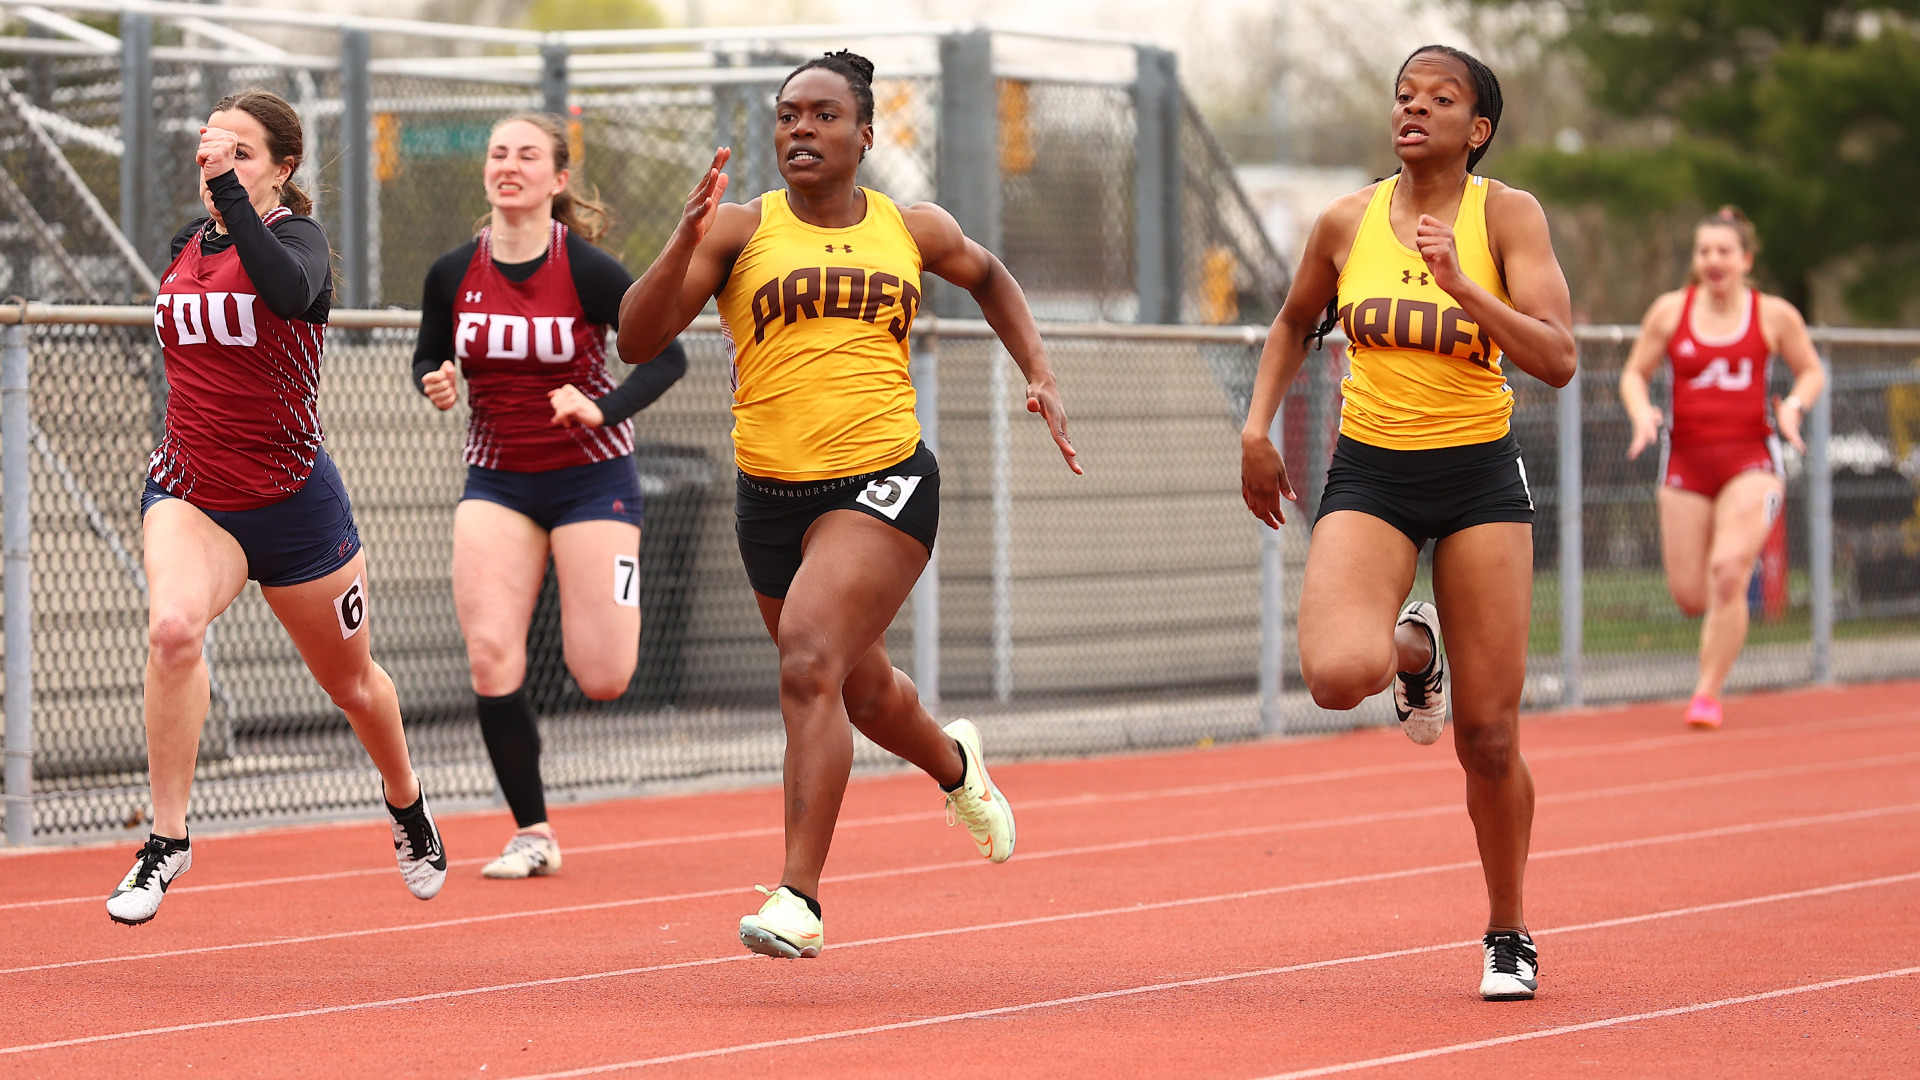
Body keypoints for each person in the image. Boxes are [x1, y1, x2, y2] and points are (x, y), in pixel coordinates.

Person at [618, 50, 1078, 959]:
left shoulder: (913, 227)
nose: (802, 127)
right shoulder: (739, 229)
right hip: (771, 497)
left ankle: (798, 897)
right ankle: (956, 764)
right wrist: (682, 238)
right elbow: (637, 337)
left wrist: (1039, 371)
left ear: (865, 135)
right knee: (859, 691)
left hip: (884, 479)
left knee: (806, 660)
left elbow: (990, 276)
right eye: (788, 114)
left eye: (824, 115)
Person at [1239, 46, 1576, 1000]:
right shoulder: (1345, 220)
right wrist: (1256, 429)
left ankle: (1508, 930)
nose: (1414, 109)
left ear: (1478, 128)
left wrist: (1466, 287)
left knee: (1490, 738)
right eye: (1404, 96)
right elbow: (1293, 322)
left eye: (1440, 99)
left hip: (1479, 479)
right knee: (1337, 676)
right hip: (1373, 474)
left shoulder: (1506, 216)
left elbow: (1558, 358)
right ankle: (1415, 653)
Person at [108, 89, 445, 926]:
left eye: (241, 152)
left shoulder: (300, 242)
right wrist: (224, 199)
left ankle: (406, 802)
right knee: (172, 631)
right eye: (211, 147)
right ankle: (168, 838)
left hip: (293, 503)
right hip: (192, 492)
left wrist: (232, 192)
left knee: (353, 685)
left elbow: (288, 294)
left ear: (282, 167)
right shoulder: (188, 245)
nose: (217, 164)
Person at [414, 113, 688, 879]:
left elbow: (666, 357)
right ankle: (532, 831)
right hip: (497, 480)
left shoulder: (590, 270)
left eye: (527, 155)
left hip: (591, 480)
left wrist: (601, 407)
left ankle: (608, 616)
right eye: (498, 153)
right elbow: (429, 354)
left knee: (604, 675)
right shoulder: (452, 272)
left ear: (557, 179)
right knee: (490, 654)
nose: (509, 165)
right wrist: (435, 380)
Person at [1619, 207, 1824, 730]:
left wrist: (1794, 407)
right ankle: (1722, 627)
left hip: (1751, 459)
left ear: (1745, 260)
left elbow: (1810, 371)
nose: (1713, 260)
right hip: (1685, 461)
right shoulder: (1670, 311)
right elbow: (1634, 373)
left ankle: (1707, 692)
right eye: (1704, 250)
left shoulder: (1773, 315)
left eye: (1724, 251)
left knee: (1728, 572)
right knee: (1692, 595)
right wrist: (1643, 414)